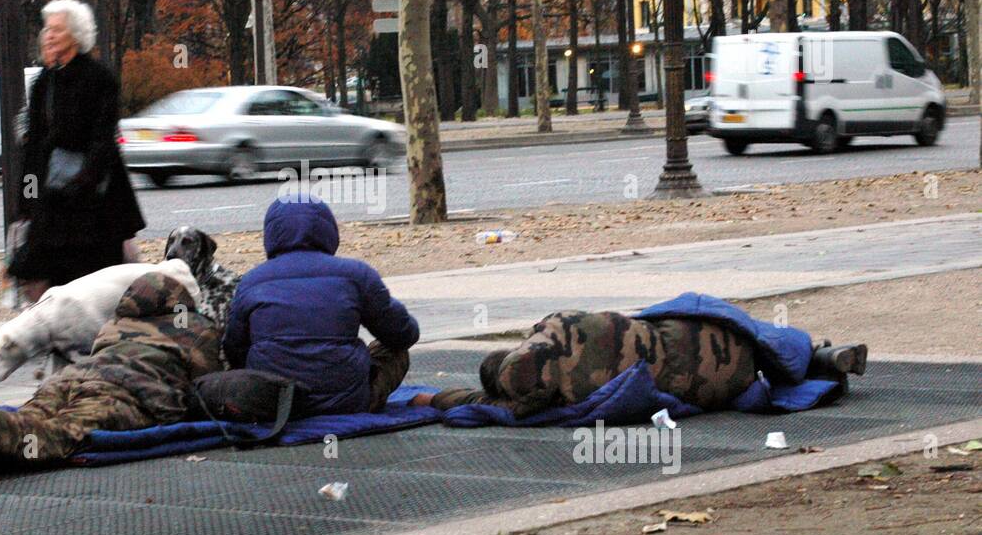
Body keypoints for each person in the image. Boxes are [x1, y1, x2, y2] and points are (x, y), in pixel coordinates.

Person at [0, 271, 220, 492]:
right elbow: (205, 384)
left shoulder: (116, 323)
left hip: (71, 378)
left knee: (31, 418)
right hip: (127, 393)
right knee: (62, 434)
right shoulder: (196, 328)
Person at [421, 297, 867, 415]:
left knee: (750, 374)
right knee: (758, 337)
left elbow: (481, 408)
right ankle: (815, 352)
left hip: (721, 384)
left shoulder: (541, 396)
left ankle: (817, 365)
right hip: (707, 333)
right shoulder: (559, 321)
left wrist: (432, 399)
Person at [223, 197, 419, 415]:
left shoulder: (251, 281)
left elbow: (234, 348)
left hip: (275, 406)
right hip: (348, 404)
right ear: (329, 230)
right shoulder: (356, 274)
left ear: (270, 234)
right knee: (393, 349)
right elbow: (402, 334)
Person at [8, 0, 145, 303]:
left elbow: (103, 138)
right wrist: (27, 198)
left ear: (76, 35)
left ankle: (98, 331)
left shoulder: (98, 78)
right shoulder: (44, 82)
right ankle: (57, 334)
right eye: (47, 29)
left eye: (57, 29)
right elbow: (34, 146)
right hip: (52, 193)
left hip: (93, 196)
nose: (49, 35)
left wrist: (84, 181)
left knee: (95, 271)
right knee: (42, 267)